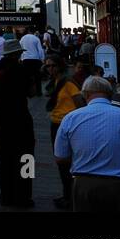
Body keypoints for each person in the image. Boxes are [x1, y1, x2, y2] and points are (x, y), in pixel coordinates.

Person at [54, 75, 120, 212]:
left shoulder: (70, 118)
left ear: (85, 95)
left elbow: (60, 158)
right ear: (110, 95)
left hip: (84, 185)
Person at [0, 40, 34, 208]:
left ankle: (6, 194)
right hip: (21, 118)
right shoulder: (22, 70)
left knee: (4, 159)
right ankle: (25, 195)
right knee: (26, 157)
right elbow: (31, 92)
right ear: (18, 53)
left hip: (1, 118)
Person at [44, 55, 85, 209]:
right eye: (47, 66)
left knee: (66, 162)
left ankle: (71, 197)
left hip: (67, 125)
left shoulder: (68, 83)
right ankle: (67, 194)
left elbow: (80, 104)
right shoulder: (56, 81)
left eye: (52, 65)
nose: (49, 69)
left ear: (60, 66)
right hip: (56, 124)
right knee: (61, 162)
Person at [19, 28, 45, 97]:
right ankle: (39, 92)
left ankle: (28, 92)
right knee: (37, 77)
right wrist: (42, 59)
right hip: (35, 59)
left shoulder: (22, 38)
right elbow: (40, 50)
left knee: (27, 77)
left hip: (26, 59)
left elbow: (20, 49)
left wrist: (21, 58)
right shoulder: (36, 38)